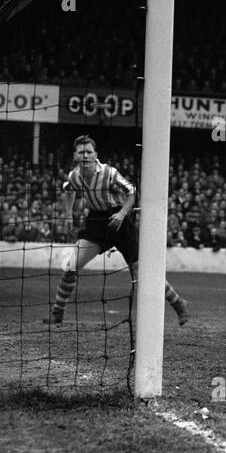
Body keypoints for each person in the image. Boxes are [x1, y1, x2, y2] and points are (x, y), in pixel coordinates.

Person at [45, 135, 189, 326]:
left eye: (89, 152)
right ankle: (57, 313)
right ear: (75, 155)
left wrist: (121, 214)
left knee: (142, 273)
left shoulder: (109, 173)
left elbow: (132, 192)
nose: (86, 155)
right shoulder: (75, 176)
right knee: (71, 266)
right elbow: (69, 189)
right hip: (96, 222)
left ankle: (179, 304)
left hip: (120, 222)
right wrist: (68, 214)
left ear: (96, 154)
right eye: (81, 152)